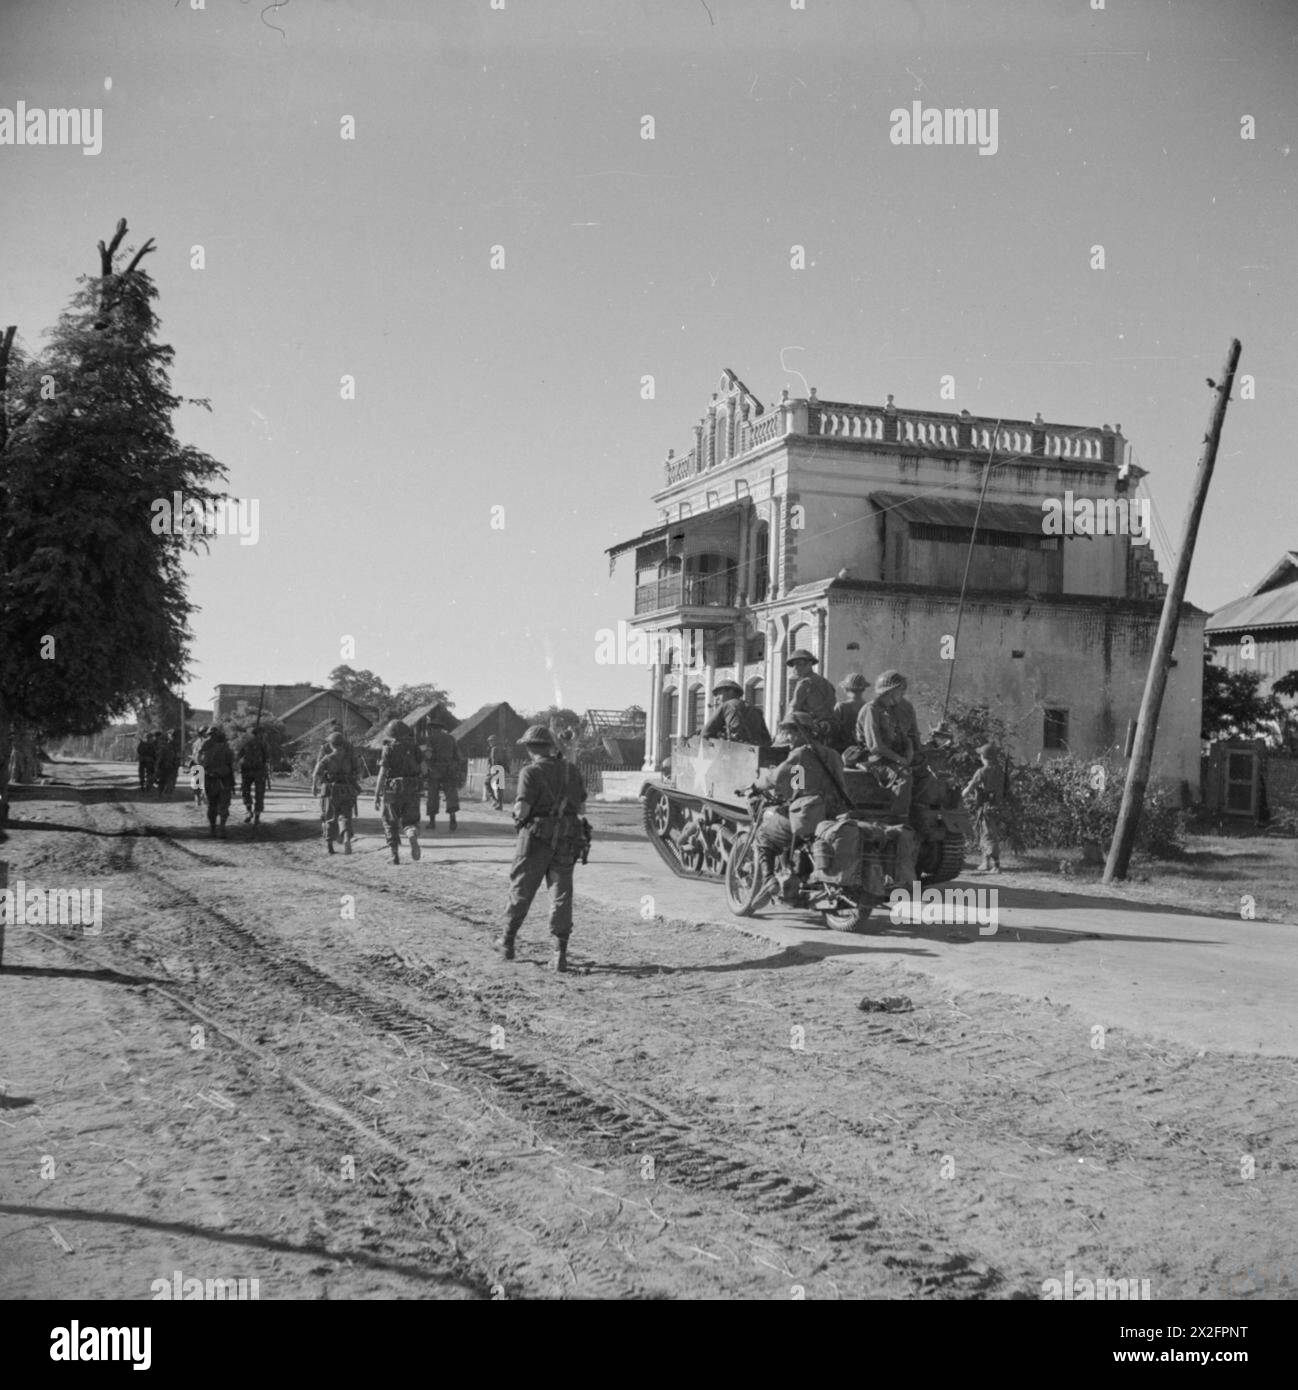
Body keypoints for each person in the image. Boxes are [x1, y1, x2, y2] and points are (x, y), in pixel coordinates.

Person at [498, 725, 588, 972]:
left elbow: (522, 811)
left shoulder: (530, 772)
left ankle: (507, 941)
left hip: (535, 839)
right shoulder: (572, 771)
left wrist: (518, 819)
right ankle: (559, 953)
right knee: (561, 894)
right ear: (551, 746)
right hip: (567, 839)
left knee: (522, 889)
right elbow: (581, 809)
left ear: (529, 749)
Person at [752, 712, 850, 900]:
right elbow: (801, 783)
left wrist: (756, 786)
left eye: (789, 732)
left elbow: (776, 778)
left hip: (810, 816)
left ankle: (769, 880)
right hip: (832, 814)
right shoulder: (833, 755)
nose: (787, 738)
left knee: (764, 834)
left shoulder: (800, 753)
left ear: (799, 732)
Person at [857, 669, 915, 801]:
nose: (903, 693)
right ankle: (898, 816)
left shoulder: (890, 710)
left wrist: (909, 750)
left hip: (891, 757)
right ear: (890, 691)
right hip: (875, 760)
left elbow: (903, 735)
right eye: (900, 690)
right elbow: (875, 747)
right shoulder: (871, 709)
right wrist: (900, 760)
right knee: (904, 777)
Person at [374, 719, 422, 864]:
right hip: (412, 788)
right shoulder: (414, 748)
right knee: (410, 821)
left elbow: (382, 773)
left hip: (392, 790)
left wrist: (377, 794)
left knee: (389, 822)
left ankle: (394, 855)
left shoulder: (388, 748)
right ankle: (411, 833)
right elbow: (424, 768)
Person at [964, 742, 1008, 874]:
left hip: (986, 807)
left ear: (983, 757)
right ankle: (986, 863)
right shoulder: (1000, 770)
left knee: (988, 835)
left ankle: (996, 865)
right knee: (987, 834)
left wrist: (960, 798)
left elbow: (969, 788)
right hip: (998, 806)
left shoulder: (981, 771)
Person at [313, 731, 359, 855]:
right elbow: (357, 771)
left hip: (331, 791)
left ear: (331, 745)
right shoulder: (349, 757)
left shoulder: (327, 758)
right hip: (347, 790)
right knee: (345, 816)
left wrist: (314, 787)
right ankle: (346, 838)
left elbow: (316, 773)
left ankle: (330, 847)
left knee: (330, 818)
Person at [786, 649, 838, 745]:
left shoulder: (804, 683)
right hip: (829, 729)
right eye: (794, 665)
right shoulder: (826, 682)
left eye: (799, 664)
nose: (795, 668)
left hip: (812, 730)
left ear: (809, 664)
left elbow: (793, 710)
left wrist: (783, 730)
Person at [423, 714, 463, 833]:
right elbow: (458, 757)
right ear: (441, 728)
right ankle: (452, 819)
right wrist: (454, 767)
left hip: (435, 770)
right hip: (449, 770)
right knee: (451, 795)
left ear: (432, 728)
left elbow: (428, 755)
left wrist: (427, 764)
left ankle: (432, 822)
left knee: (433, 796)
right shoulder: (451, 738)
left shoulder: (431, 739)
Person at [702, 680, 771, 745]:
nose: (716, 698)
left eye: (719, 693)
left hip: (734, 751)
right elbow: (767, 739)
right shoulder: (756, 710)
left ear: (731, 691)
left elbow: (706, 733)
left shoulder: (726, 705)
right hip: (756, 752)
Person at [198, 727, 235, 838]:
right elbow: (231, 764)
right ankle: (221, 828)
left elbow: (200, 762)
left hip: (210, 779)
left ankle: (213, 829)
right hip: (223, 780)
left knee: (212, 805)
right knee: (223, 805)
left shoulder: (204, 746)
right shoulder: (227, 749)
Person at [238, 728, 270, 825]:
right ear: (260, 734)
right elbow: (267, 758)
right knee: (259, 794)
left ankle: (249, 811)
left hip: (247, 771)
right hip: (259, 772)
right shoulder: (264, 744)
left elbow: (239, 755)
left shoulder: (247, 743)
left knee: (245, 791)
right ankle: (257, 816)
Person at [831, 674, 870, 753]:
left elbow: (832, 729)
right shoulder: (868, 707)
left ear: (846, 689)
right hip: (863, 749)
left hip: (843, 750)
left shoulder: (841, 707)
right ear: (863, 689)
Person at [485, 737, 509, 811]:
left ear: (494, 741)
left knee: (487, 783)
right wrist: (507, 769)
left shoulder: (494, 749)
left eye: (490, 741)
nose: (489, 743)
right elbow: (506, 760)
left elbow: (493, 760)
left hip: (496, 768)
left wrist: (493, 770)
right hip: (501, 768)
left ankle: (494, 800)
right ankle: (500, 805)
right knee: (499, 788)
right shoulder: (502, 749)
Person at [154, 731, 179, 798]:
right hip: (166, 766)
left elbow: (175, 756)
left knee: (167, 781)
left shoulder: (173, 746)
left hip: (169, 766)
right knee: (164, 780)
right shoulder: (166, 746)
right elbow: (160, 757)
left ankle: (165, 794)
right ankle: (162, 794)